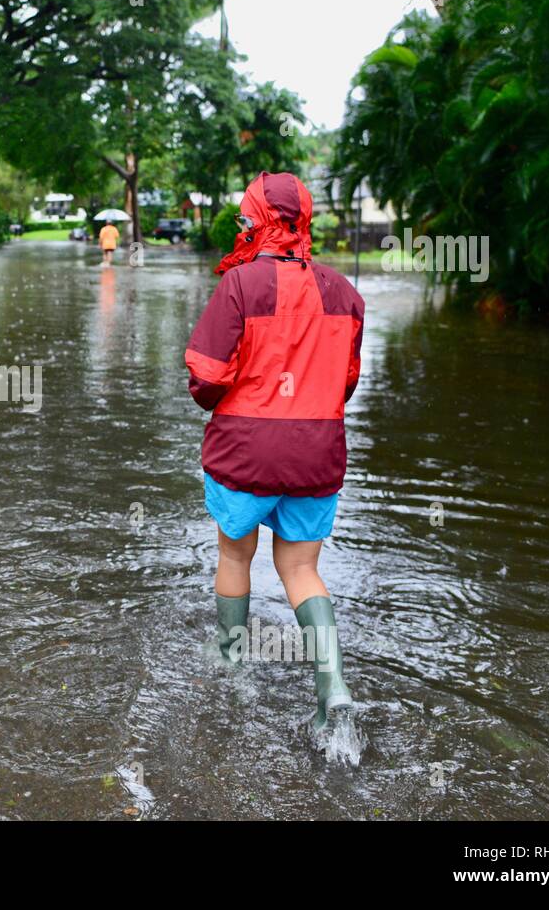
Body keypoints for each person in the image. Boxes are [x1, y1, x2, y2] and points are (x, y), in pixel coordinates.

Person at [183, 171, 365, 732]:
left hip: (246, 452)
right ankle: (332, 686)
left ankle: (231, 656)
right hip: (316, 453)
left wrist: (219, 395)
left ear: (258, 222)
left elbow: (207, 374)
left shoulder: (240, 285)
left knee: (237, 555)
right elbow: (347, 380)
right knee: (301, 568)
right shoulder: (346, 293)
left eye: (244, 218)